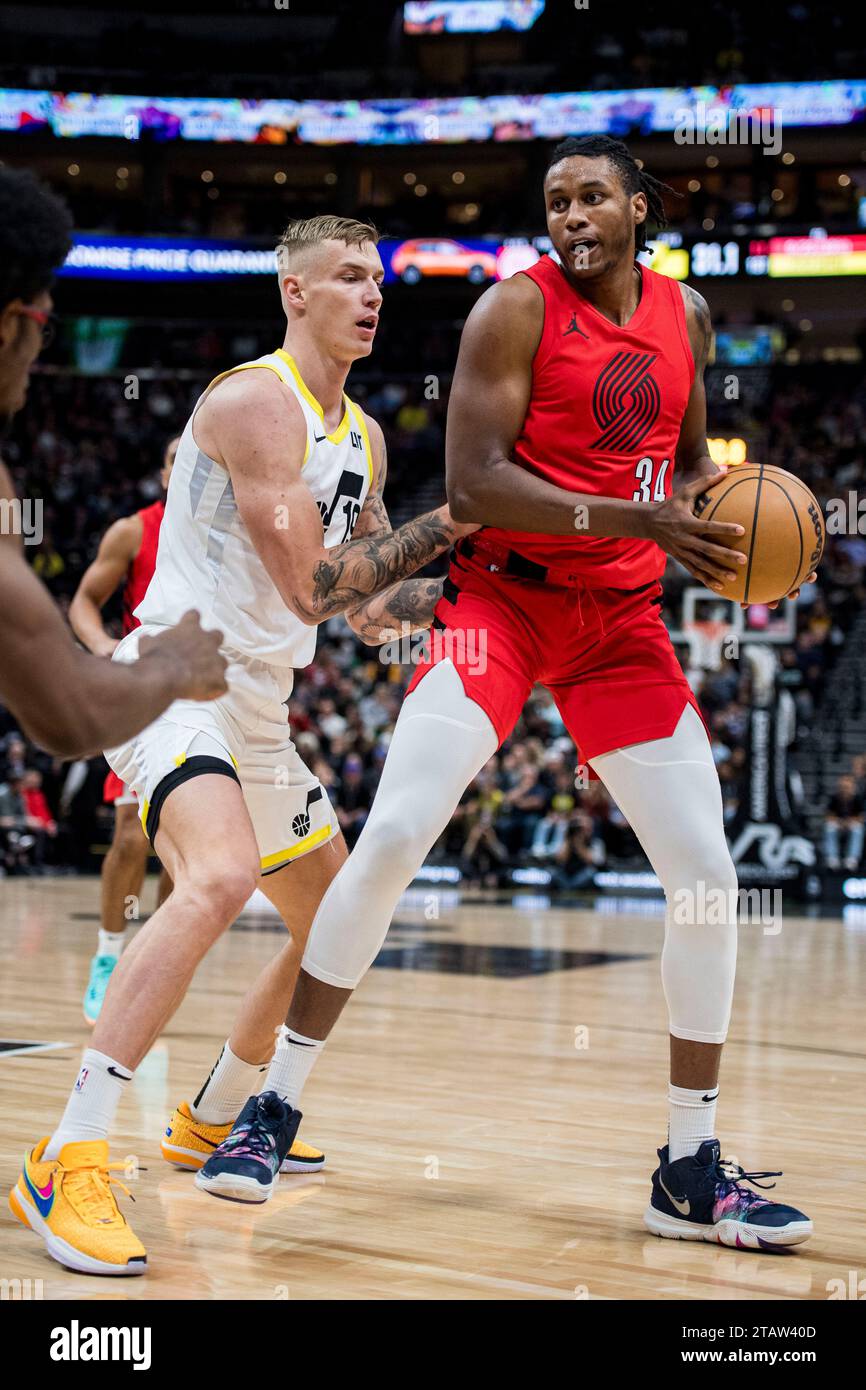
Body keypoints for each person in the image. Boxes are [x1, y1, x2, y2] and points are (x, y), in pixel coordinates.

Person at [202, 137, 817, 1253]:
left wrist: (707, 525)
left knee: (706, 879)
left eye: (592, 196)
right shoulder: (511, 311)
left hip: (620, 625)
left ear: (636, 207)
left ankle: (687, 1162)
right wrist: (639, 520)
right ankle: (271, 1106)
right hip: (504, 604)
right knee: (392, 836)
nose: (572, 213)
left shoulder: (686, 319)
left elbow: (672, 471)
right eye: (555, 201)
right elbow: (476, 484)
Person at [11, 214, 472, 1274]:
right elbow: (312, 583)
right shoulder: (256, 400)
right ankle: (67, 1151)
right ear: (294, 293)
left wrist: (477, 589)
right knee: (217, 876)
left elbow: (358, 608)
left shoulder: (360, 434)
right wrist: (463, 515)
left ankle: (216, 1110)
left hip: (258, 708)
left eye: (379, 280)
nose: (371, 294)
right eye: (348, 276)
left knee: (338, 916)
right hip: (173, 687)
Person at [0, 167, 228, 759]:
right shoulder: (131, 528)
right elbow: (70, 712)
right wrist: (168, 661)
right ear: (7, 326)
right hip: (130, 687)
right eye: (45, 327)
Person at [69, 437, 178, 1024]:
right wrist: (105, 646)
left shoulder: (236, 529)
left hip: (206, 695)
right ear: (163, 472)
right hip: (140, 696)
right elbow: (85, 600)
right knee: (133, 840)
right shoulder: (133, 531)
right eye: (174, 459)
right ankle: (110, 954)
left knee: (182, 855)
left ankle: (153, 967)